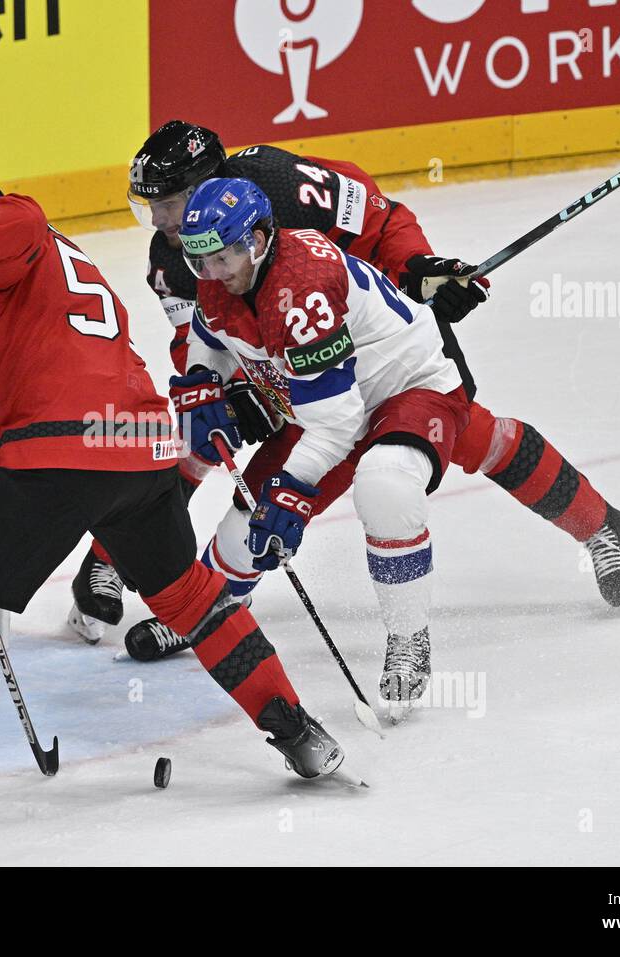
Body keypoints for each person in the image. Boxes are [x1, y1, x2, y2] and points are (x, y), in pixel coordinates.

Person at [0, 172, 345, 864]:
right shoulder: (48, 265)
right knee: (191, 597)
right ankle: (296, 729)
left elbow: (14, 220)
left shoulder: (13, 226)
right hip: (137, 447)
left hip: (62, 449)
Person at [69, 120, 620, 657]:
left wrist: (419, 267)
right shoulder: (177, 259)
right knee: (208, 441)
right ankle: (150, 577)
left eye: (168, 204)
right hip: (298, 364)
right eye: (151, 208)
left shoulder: (275, 180)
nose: (161, 223)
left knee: (462, 438)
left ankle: (600, 525)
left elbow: (380, 219)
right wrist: (224, 387)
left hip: (386, 342)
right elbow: (197, 339)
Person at [175, 176, 467, 707]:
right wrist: (202, 377)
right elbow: (209, 332)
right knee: (245, 528)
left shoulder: (301, 288)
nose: (212, 275)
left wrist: (293, 489)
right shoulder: (224, 267)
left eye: (221, 260)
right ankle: (203, 613)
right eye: (202, 263)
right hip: (325, 404)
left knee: (386, 489)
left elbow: (338, 423)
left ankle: (408, 637)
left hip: (406, 389)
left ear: (258, 241)